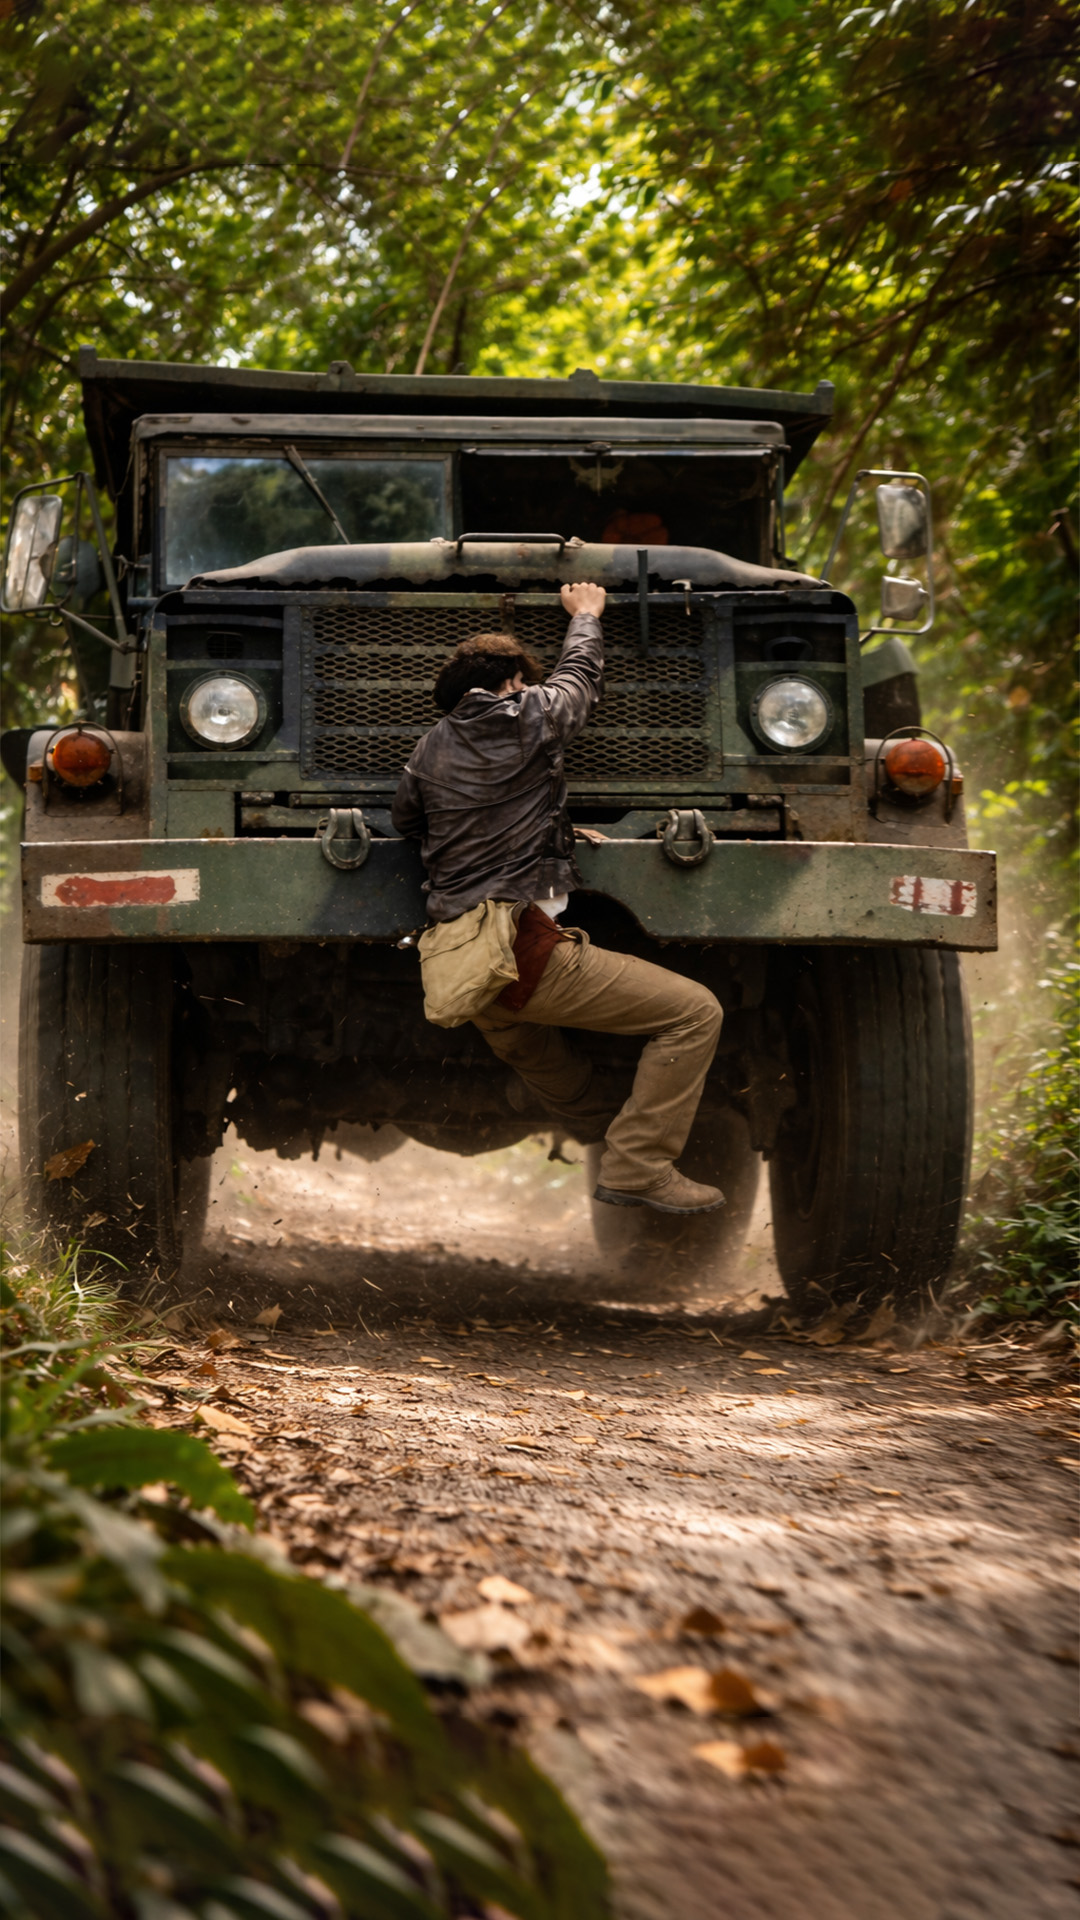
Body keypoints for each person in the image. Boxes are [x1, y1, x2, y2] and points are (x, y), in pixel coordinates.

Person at [391, 581, 725, 1214]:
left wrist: (547, 826)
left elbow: (410, 822)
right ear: (512, 680)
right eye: (524, 680)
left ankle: (598, 1131)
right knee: (695, 1013)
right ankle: (637, 1166)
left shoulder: (427, 749)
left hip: (460, 968)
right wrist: (587, 616)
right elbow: (579, 681)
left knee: (567, 1080)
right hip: (522, 956)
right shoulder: (527, 715)